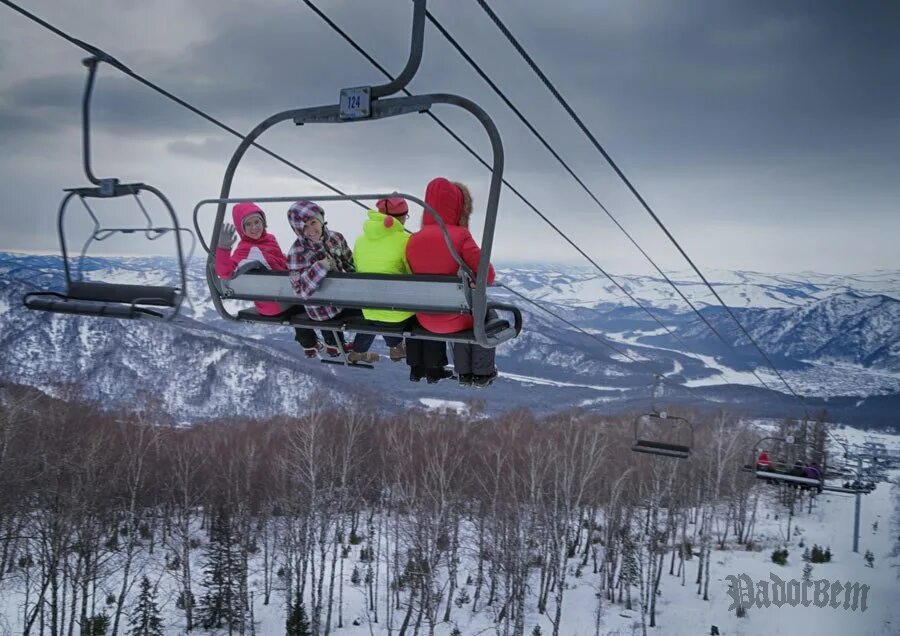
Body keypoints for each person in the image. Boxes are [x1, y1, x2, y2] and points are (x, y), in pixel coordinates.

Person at [406, 177, 497, 387]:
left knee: (464, 310)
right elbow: (488, 275)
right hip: (456, 318)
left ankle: (464, 373)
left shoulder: (413, 239)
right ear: (459, 208)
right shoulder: (460, 236)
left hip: (424, 318)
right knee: (484, 314)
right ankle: (479, 372)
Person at [215, 201, 321, 357]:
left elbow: (277, 261)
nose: (254, 227)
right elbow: (226, 273)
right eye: (248, 224)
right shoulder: (246, 250)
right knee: (313, 301)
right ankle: (315, 343)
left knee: (308, 295)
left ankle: (311, 344)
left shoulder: (269, 239)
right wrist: (224, 249)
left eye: (257, 221)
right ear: (241, 228)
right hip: (274, 303)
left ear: (263, 222)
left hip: (282, 293)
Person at [286, 200, 379, 364]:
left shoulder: (336, 238)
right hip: (322, 309)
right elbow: (299, 291)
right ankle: (334, 344)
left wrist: (357, 284)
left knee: (376, 314)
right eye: (304, 227)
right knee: (328, 320)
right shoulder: (297, 252)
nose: (310, 230)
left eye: (313, 223)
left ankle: (357, 350)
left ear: (321, 219)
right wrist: (320, 268)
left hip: (345, 298)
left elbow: (350, 264)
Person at [351, 197, 414, 362]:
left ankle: (390, 347)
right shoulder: (406, 241)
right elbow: (412, 274)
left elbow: (357, 268)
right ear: (402, 217)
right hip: (397, 313)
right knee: (399, 309)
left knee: (381, 310)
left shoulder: (359, 241)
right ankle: (397, 347)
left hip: (368, 309)